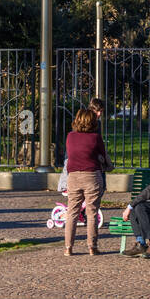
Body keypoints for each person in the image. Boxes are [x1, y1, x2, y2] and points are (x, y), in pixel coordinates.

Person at [64, 108, 109, 256]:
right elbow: (103, 155)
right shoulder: (95, 138)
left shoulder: (70, 136)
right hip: (91, 176)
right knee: (92, 213)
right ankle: (92, 247)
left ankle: (68, 248)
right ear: (93, 122)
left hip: (73, 177)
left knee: (72, 213)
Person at [59, 98, 106, 195]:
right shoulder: (82, 119)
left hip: (90, 150)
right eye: (96, 111)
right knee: (68, 162)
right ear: (91, 109)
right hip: (77, 148)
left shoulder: (98, 123)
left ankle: (101, 187)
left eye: (101, 111)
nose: (99, 114)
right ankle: (64, 186)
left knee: (100, 164)